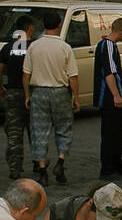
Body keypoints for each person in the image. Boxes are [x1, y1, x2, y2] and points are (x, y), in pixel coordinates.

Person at [22, 10, 79, 187]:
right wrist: (75, 96)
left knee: (39, 131)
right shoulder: (64, 47)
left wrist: (27, 95)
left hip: (39, 91)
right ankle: (60, 161)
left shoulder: (34, 46)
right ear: (59, 25)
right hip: (60, 91)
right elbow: (73, 76)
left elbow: (26, 74)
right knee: (64, 129)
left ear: (43, 25)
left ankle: (41, 169)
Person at [0, 15, 35, 180]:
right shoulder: (34, 47)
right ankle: (39, 164)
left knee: (14, 133)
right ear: (30, 29)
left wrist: (0, 87)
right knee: (35, 132)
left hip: (12, 92)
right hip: (32, 93)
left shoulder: (8, 47)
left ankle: (15, 168)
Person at [94, 17, 122, 177]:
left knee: (116, 130)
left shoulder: (108, 45)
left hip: (109, 95)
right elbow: (110, 72)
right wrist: (116, 95)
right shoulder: (108, 46)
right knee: (112, 132)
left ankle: (114, 163)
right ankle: (109, 166)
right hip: (109, 96)